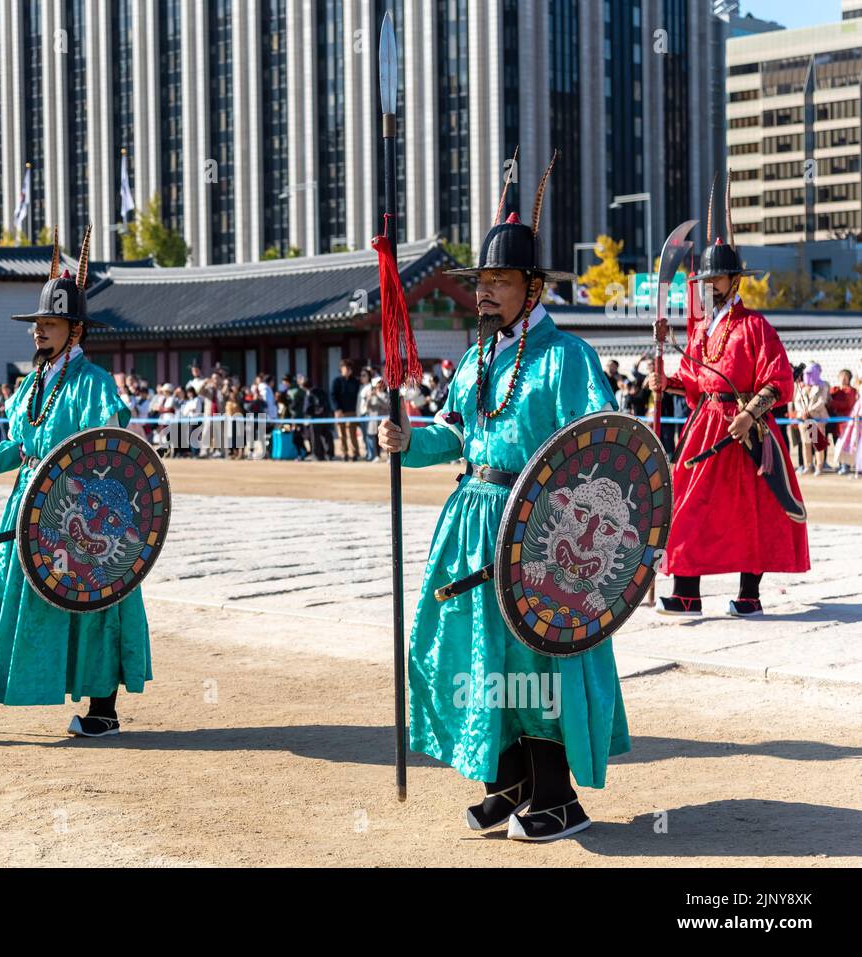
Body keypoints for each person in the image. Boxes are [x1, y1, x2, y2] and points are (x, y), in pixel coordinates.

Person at [378, 153, 627, 841]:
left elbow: (599, 448)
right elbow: (453, 436)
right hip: (471, 520)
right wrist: (405, 439)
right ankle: (506, 775)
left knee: (534, 660)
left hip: (542, 534)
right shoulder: (474, 359)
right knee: (473, 650)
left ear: (534, 287)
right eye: (480, 282)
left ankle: (556, 795)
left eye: (500, 281)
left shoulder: (567, 358)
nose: (485, 293)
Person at [0, 225, 152, 738]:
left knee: (96, 607)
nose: (37, 330)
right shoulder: (29, 385)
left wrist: (81, 497)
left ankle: (102, 709)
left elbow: (108, 445)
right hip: (29, 509)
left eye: (49, 322)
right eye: (36, 322)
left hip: (85, 516)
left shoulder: (95, 384)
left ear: (75, 330)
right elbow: (16, 449)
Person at [647, 174, 809, 616]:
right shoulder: (701, 329)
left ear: (734, 281)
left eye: (717, 278)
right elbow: (695, 380)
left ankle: (749, 595)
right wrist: (667, 382)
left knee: (751, 512)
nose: (709, 284)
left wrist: (750, 414)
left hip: (746, 431)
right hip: (706, 425)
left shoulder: (756, 327)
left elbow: (778, 381)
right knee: (687, 502)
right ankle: (686, 591)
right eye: (706, 277)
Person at [794, 364, 830, 477]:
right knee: (806, 443)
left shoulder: (822, 386)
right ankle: (807, 466)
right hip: (804, 419)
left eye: (810, 373)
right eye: (806, 374)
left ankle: (819, 466)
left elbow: (822, 401)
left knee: (817, 443)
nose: (807, 376)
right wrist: (802, 411)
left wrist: (808, 410)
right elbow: (797, 401)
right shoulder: (802, 386)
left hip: (817, 418)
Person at [331, 359, 362, 462]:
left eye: (349, 368)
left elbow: (359, 396)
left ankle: (355, 454)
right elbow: (333, 396)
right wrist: (337, 409)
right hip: (340, 412)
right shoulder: (337, 381)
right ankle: (344, 454)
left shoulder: (355, 381)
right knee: (341, 434)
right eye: (345, 367)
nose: (348, 370)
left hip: (352, 411)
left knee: (352, 434)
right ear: (341, 369)